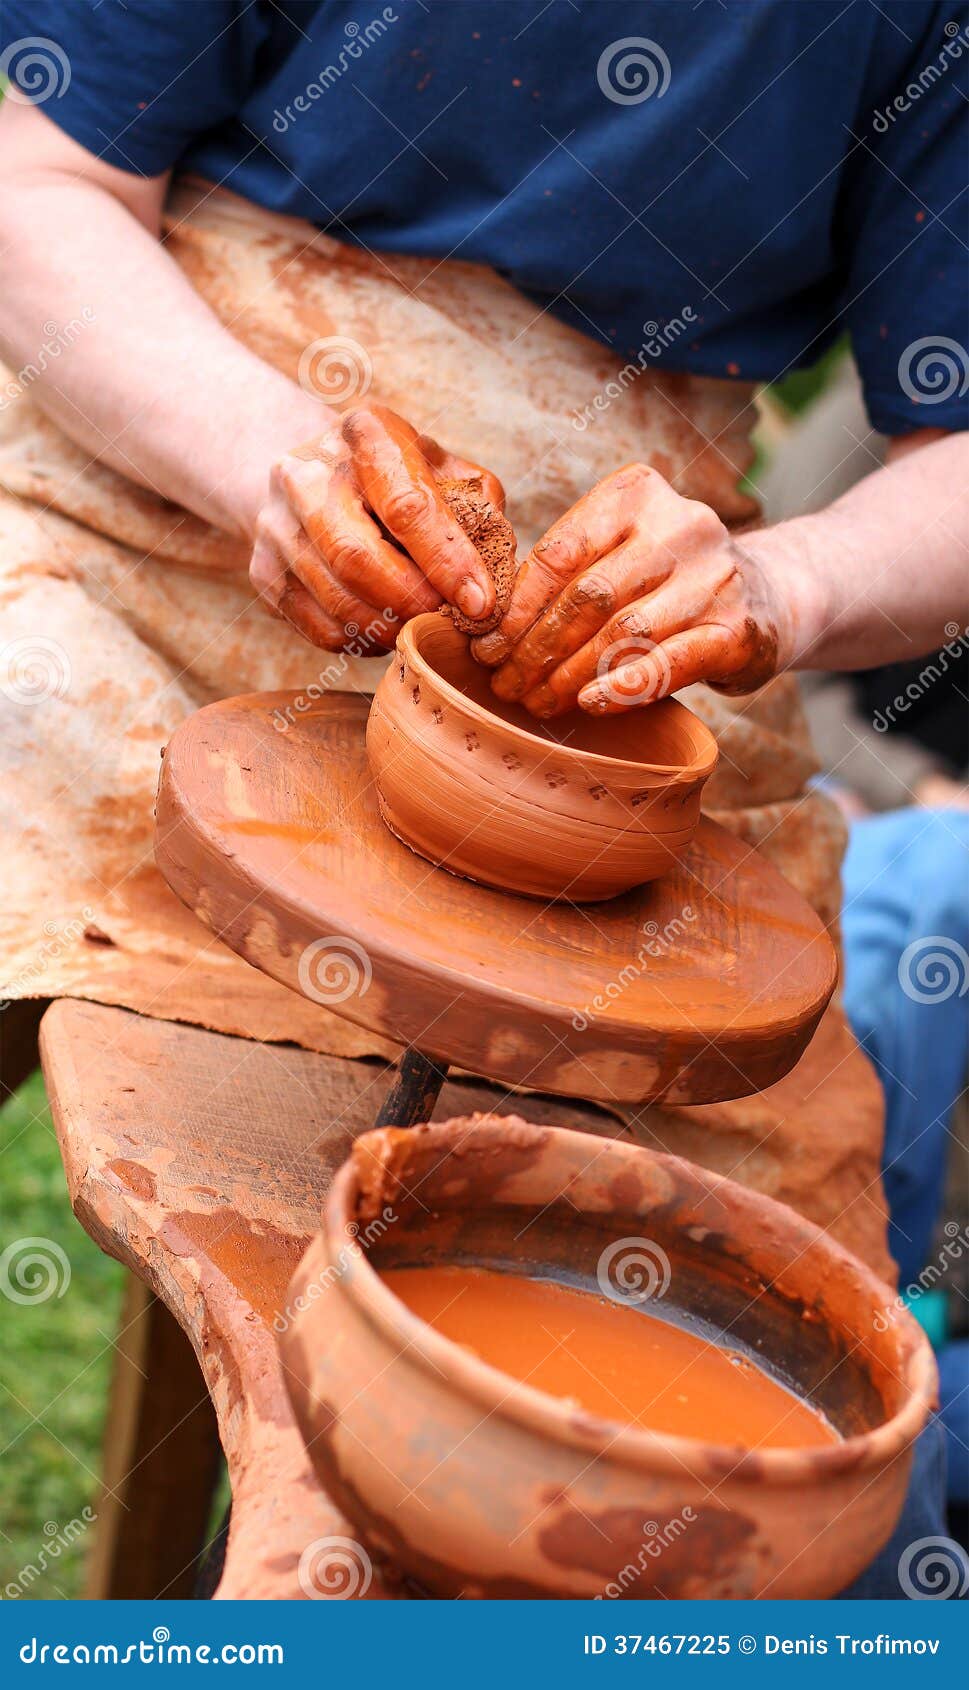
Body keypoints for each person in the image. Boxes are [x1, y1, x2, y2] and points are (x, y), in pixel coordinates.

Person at [0, 1, 966, 1599]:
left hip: (624, 650)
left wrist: (779, 583)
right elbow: (41, 181)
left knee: (747, 1383)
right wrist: (266, 458)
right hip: (168, 465)